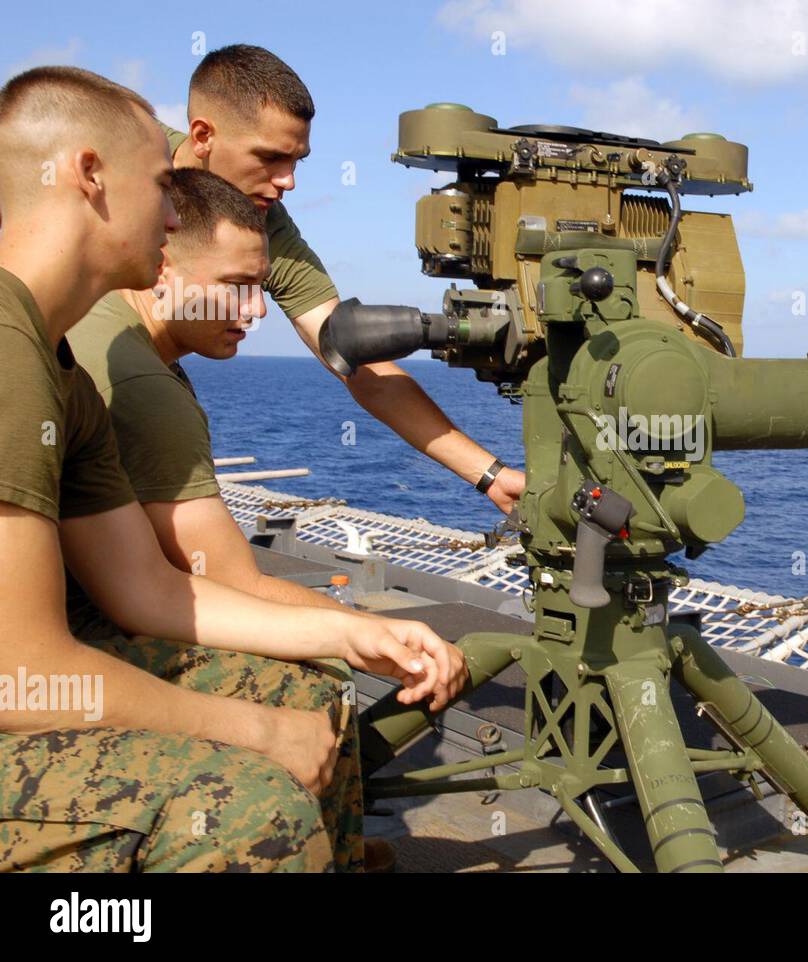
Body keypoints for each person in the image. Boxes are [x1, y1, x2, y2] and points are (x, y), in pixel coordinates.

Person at [0, 66, 464, 872]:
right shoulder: (11, 355)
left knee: (308, 697)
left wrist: (354, 632)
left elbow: (147, 588)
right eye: (161, 187)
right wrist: (249, 732)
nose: (177, 211)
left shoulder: (57, 366)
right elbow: (22, 674)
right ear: (87, 177)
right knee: (247, 801)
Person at [167, 43, 526, 512]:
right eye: (271, 158)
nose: (288, 181)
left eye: (296, 161)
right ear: (202, 135)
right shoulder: (120, 153)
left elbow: (352, 356)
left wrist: (490, 475)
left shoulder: (265, 223)